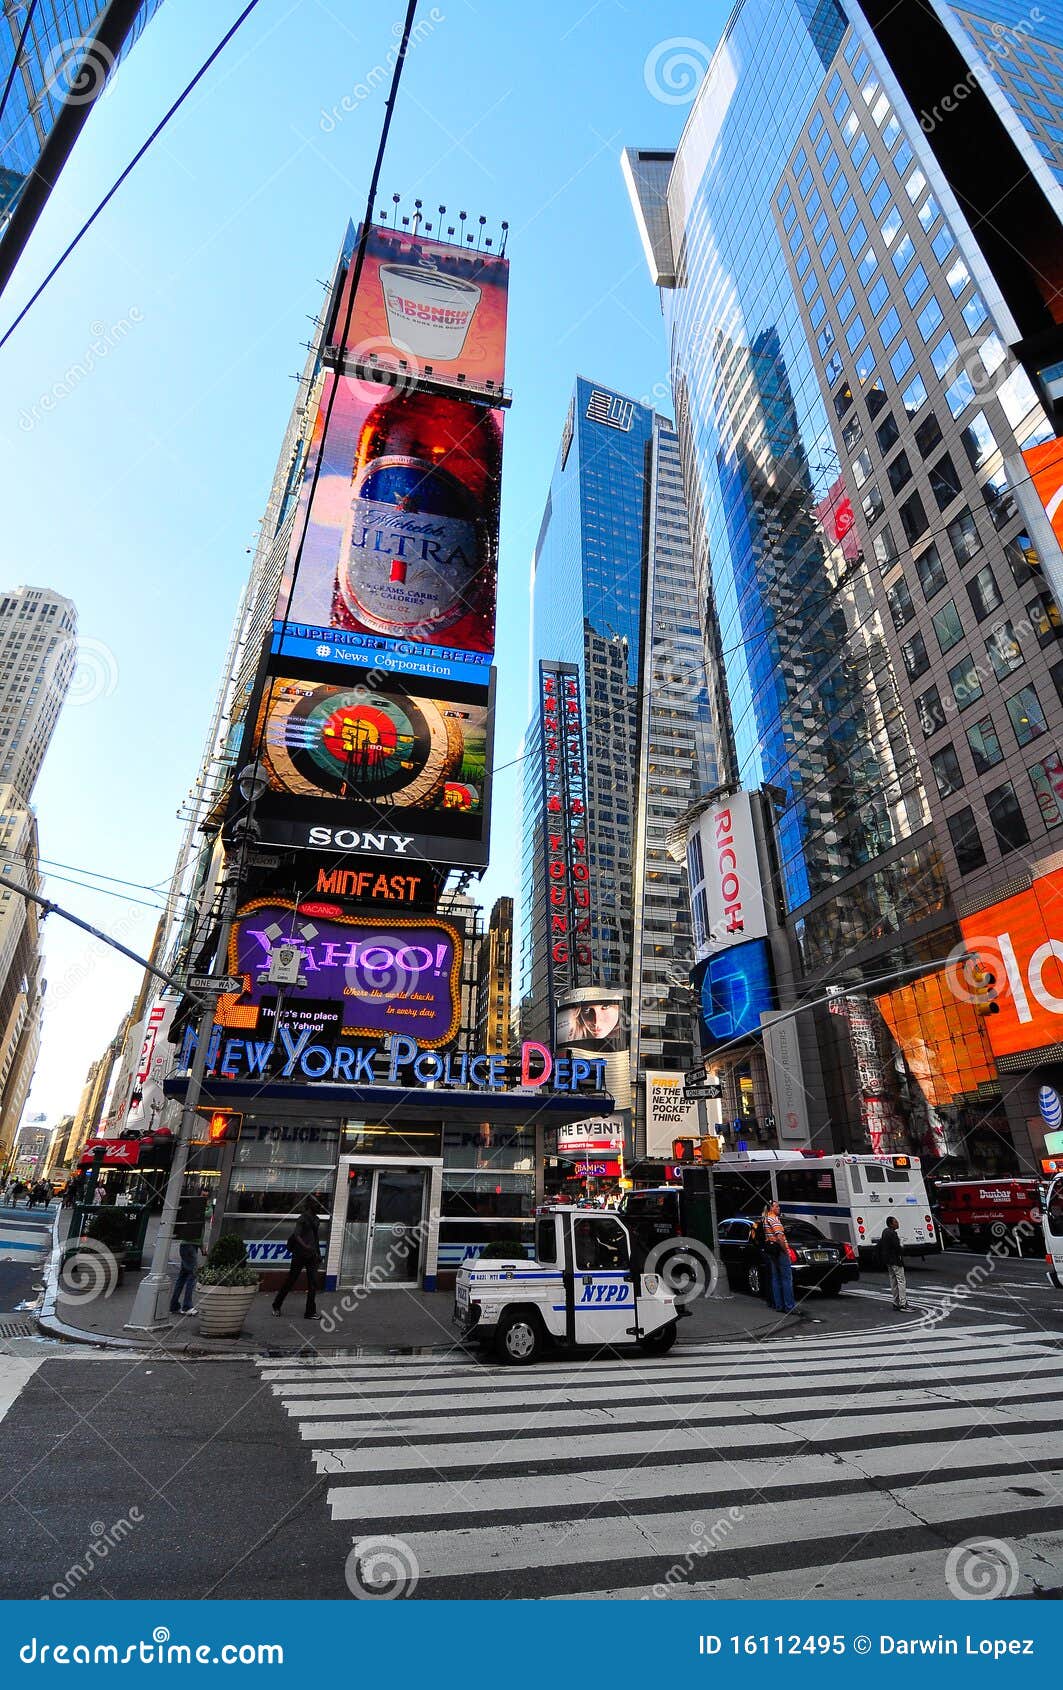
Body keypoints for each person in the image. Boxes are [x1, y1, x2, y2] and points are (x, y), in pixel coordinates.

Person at [273, 1200, 321, 1320]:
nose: (319, 1207)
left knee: (313, 1283)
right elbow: (296, 1235)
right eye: (316, 1205)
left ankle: (310, 1312)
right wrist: (305, 1246)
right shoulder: (302, 1219)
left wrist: (317, 1253)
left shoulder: (316, 1220)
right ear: (310, 1206)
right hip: (299, 1255)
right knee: (291, 1281)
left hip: (312, 1256)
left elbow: (316, 1238)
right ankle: (276, 1305)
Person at [761, 1200, 798, 1315]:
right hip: (780, 1251)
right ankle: (789, 1306)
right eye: (777, 1206)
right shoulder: (774, 1219)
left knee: (776, 1278)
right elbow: (780, 1237)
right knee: (787, 1279)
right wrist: (786, 1251)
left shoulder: (766, 1219)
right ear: (771, 1208)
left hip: (772, 1252)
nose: (779, 1208)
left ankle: (779, 1305)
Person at [880, 1214, 909, 1311]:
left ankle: (895, 1302)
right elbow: (897, 1248)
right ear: (891, 1224)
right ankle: (903, 1303)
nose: (897, 1223)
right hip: (896, 1260)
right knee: (901, 1281)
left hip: (888, 1261)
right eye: (895, 1222)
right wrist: (902, 1244)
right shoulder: (893, 1234)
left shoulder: (885, 1232)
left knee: (893, 1282)